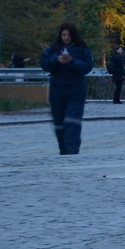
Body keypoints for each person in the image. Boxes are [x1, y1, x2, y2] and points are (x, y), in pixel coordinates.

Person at [40, 23, 94, 155]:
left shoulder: (82, 50)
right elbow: (44, 64)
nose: (66, 38)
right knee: (59, 123)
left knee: (72, 121)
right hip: (57, 89)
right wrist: (56, 60)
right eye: (64, 35)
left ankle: (71, 151)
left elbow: (87, 67)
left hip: (76, 90)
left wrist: (72, 61)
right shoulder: (54, 49)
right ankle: (63, 150)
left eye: (69, 35)